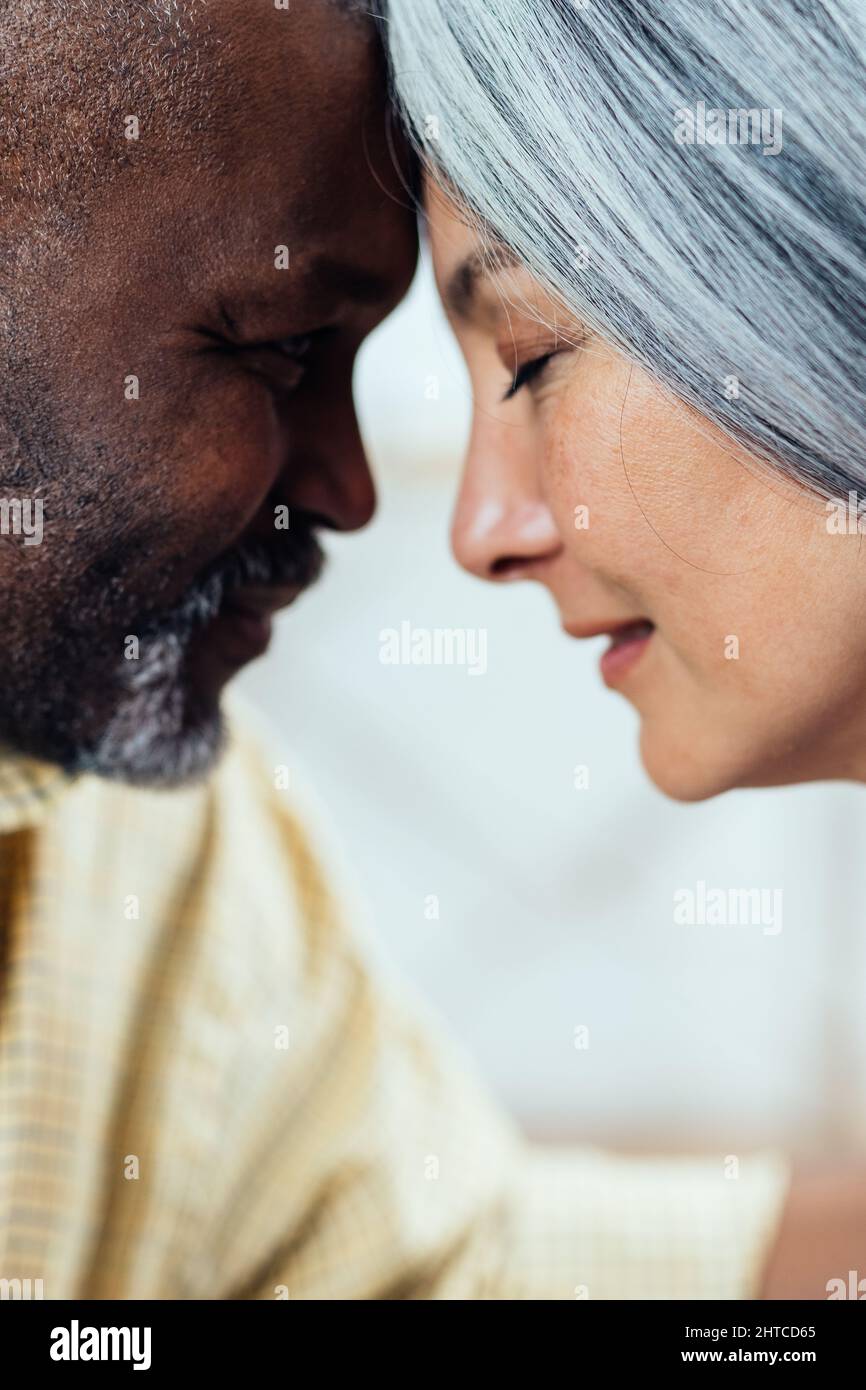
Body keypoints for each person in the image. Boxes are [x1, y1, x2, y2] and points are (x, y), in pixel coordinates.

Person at [0, 0, 858, 1300]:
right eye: (282, 348)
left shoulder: (154, 846)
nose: (379, 501)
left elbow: (457, 1266)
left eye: (527, 356)